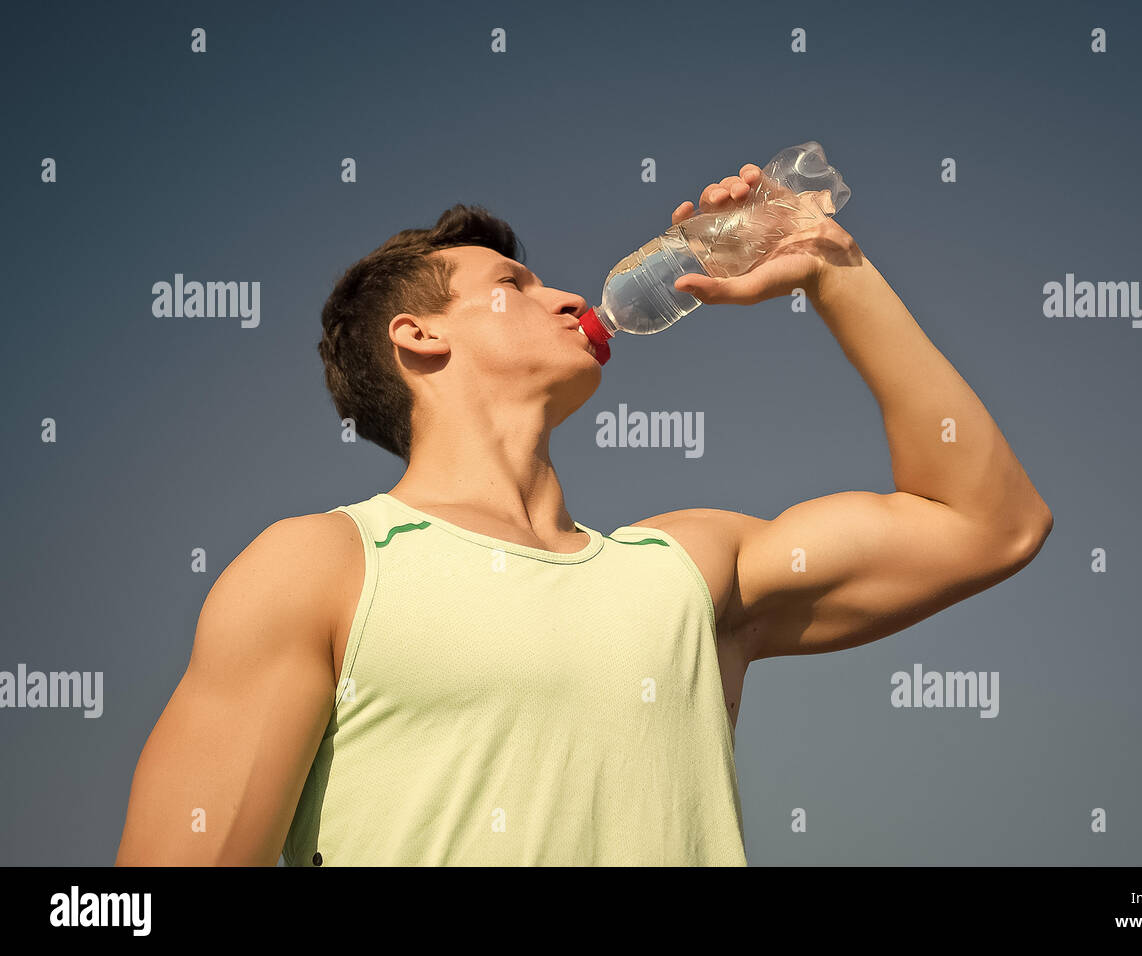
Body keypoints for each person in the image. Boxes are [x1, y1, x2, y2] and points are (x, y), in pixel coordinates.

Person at [115, 163, 1052, 866]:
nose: (567, 294)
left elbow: (989, 523)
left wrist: (835, 274)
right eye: (512, 286)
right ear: (418, 335)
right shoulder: (323, 565)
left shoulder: (687, 569)